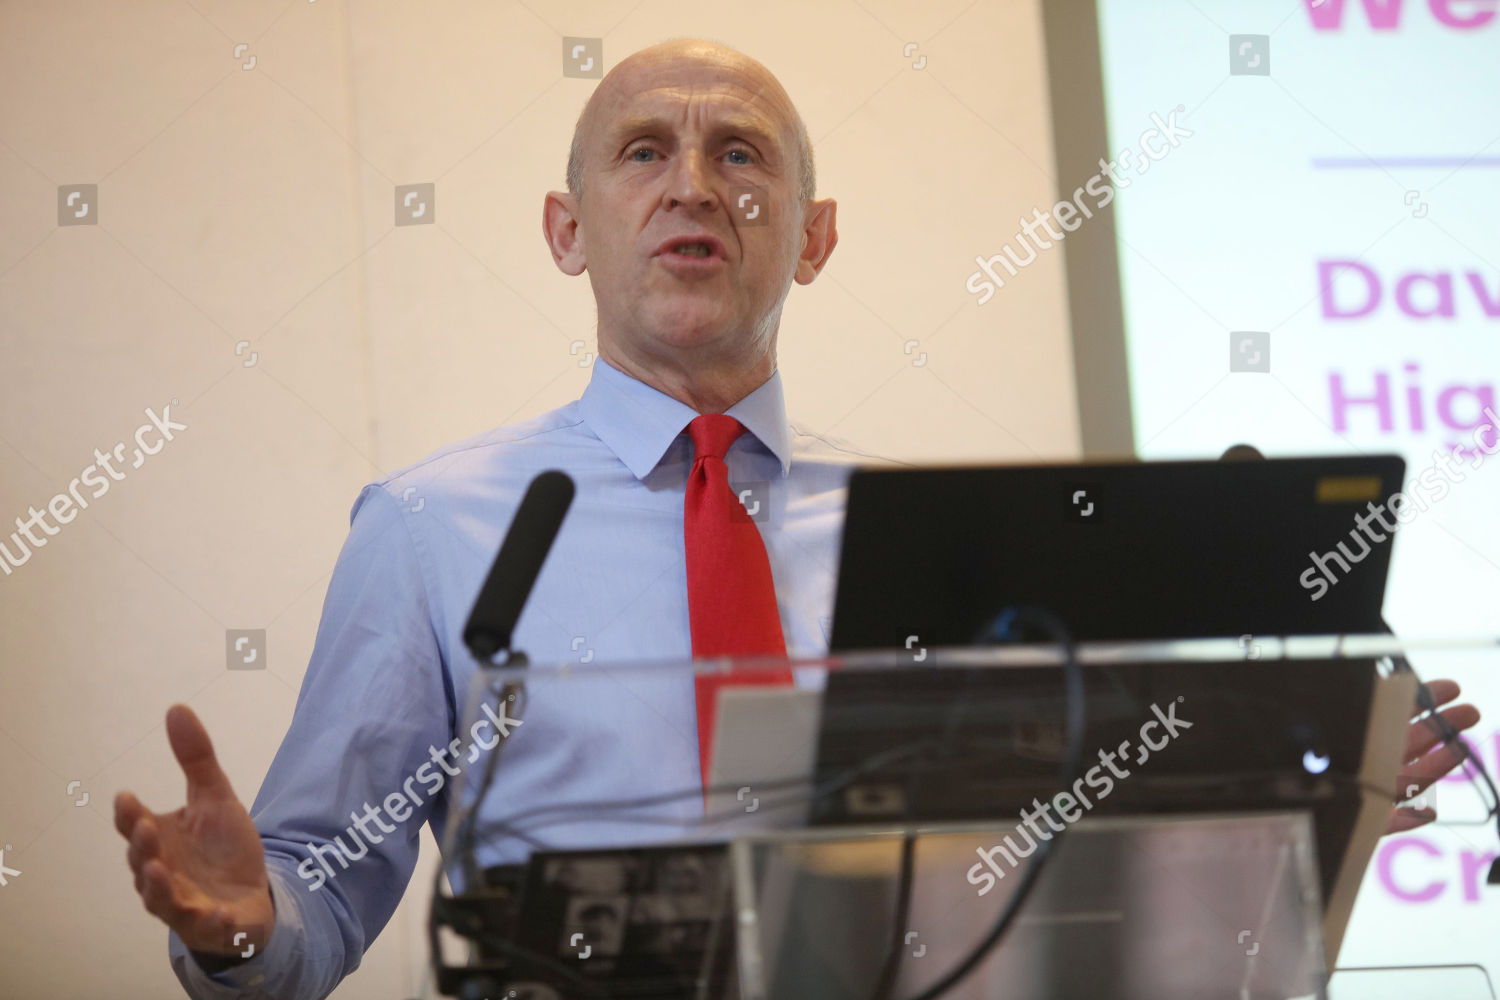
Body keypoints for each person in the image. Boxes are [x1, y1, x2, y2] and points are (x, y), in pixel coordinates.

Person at [113, 37, 1481, 1000]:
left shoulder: (941, 543)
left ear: (814, 239)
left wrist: (1299, 791)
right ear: (566, 227)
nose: (696, 184)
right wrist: (241, 931)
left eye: (741, 154)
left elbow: (1031, 876)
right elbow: (304, 909)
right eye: (644, 151)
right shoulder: (430, 527)